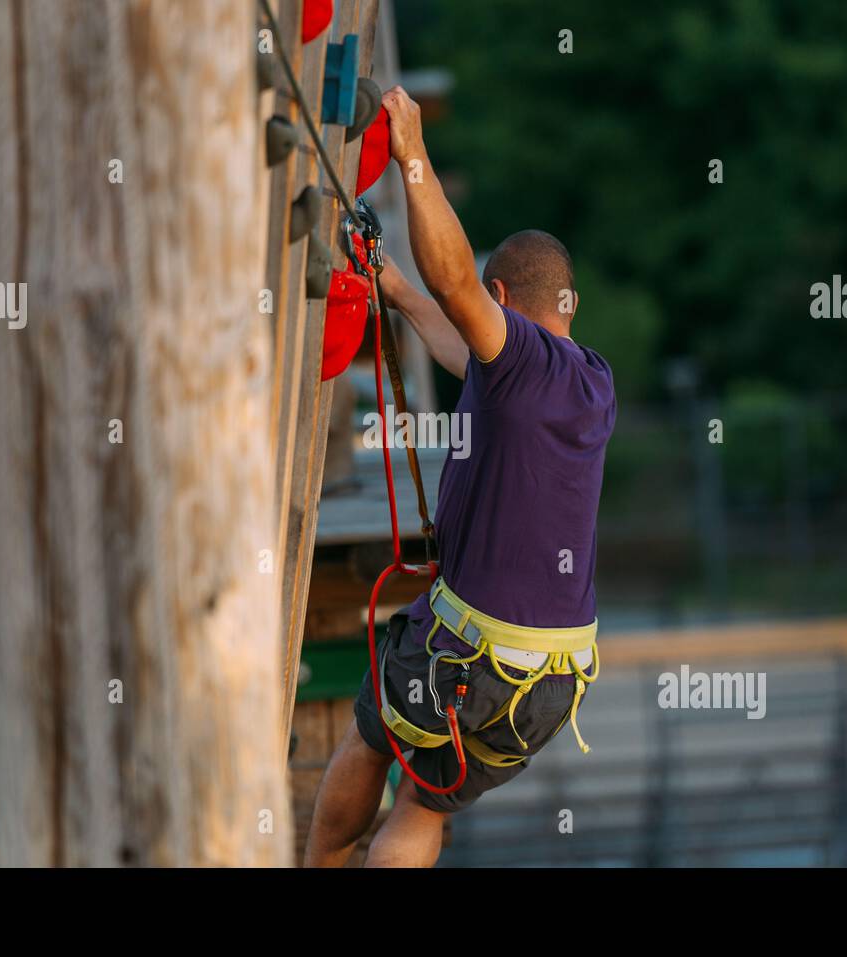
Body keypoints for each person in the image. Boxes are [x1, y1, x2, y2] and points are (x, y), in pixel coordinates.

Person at [303, 86, 616, 867]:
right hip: (553, 683)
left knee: (374, 735)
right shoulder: (587, 379)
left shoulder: (519, 359)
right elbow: (463, 345)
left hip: (476, 658)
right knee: (425, 799)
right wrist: (397, 291)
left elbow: (457, 289)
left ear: (503, 299)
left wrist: (412, 157)